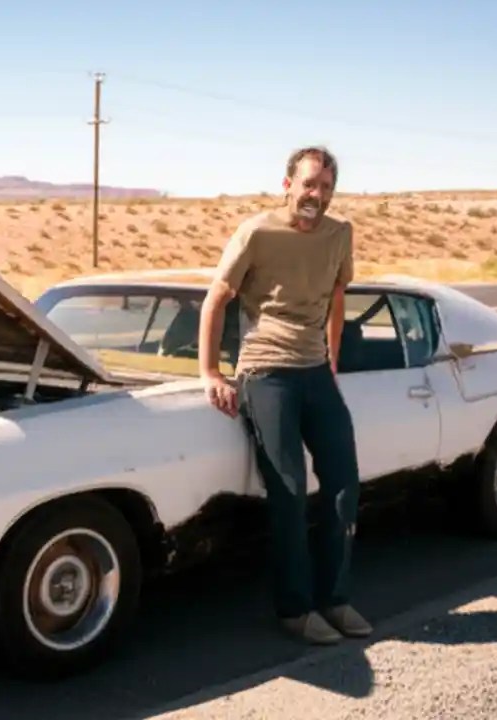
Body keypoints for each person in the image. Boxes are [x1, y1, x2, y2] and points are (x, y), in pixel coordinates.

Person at [196, 146, 372, 645]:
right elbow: (217, 299)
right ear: (287, 184)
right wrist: (210, 370)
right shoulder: (257, 232)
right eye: (310, 184)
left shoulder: (340, 235)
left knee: (344, 483)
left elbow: (337, 299)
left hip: (315, 371)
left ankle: (335, 599)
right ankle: (295, 609)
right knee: (290, 490)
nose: (317, 195)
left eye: (327, 187)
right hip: (266, 372)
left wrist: (332, 363)